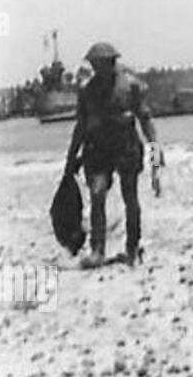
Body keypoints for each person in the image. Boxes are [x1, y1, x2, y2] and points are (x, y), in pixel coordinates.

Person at [63, 42, 160, 267]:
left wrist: (156, 157)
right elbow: (81, 127)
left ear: (112, 63)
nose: (98, 69)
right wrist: (70, 160)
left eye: (102, 64)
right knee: (97, 196)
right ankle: (98, 249)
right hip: (97, 151)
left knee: (130, 198)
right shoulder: (87, 91)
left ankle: (133, 247)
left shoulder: (131, 86)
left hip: (126, 147)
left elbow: (146, 121)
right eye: (94, 65)